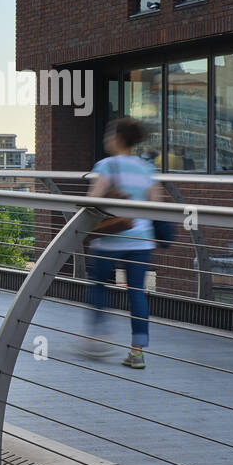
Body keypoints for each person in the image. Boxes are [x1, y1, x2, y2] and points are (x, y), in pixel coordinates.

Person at [83, 117, 164, 369]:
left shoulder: (107, 166)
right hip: (140, 240)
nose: (107, 138)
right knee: (136, 293)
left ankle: (98, 338)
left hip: (110, 240)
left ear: (117, 138)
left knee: (98, 285)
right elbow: (157, 203)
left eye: (109, 133)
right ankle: (137, 351)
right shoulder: (146, 167)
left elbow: (93, 200)